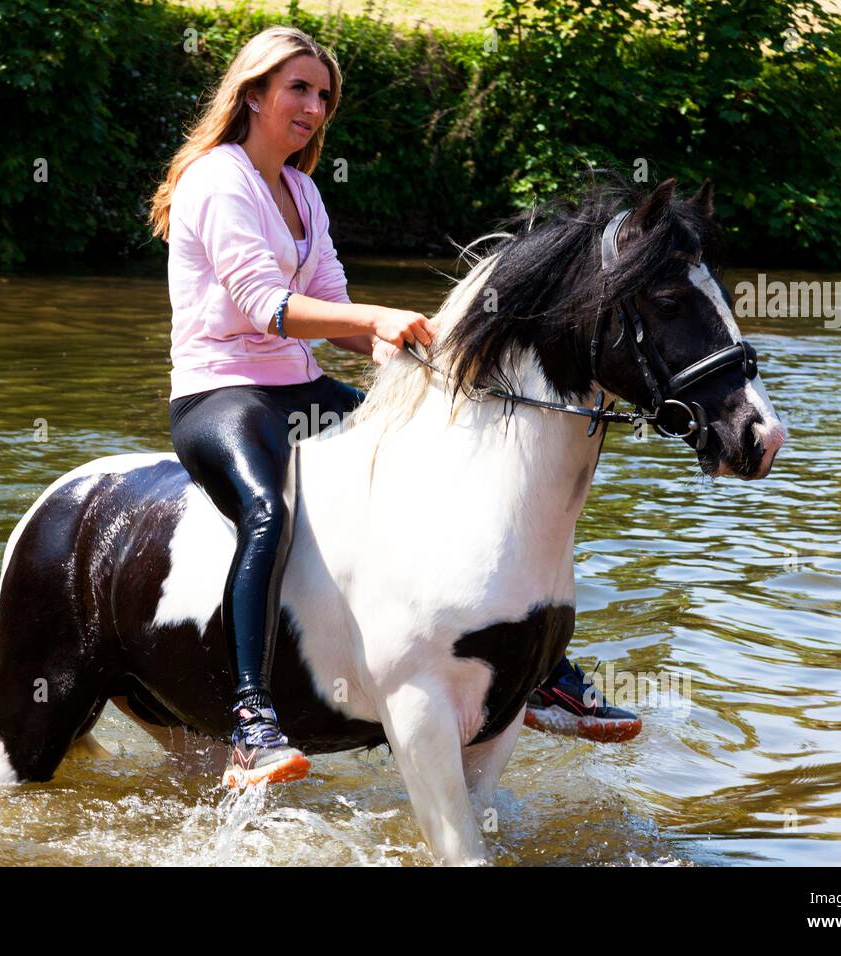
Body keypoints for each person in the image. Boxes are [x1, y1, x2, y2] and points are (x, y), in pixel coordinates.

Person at [147, 28, 639, 788]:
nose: (313, 108)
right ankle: (250, 719)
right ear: (251, 93)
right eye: (298, 90)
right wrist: (374, 318)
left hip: (300, 388)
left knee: (449, 453)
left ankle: (541, 670)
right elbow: (267, 306)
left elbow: (334, 313)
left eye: (323, 96)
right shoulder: (217, 180)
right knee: (267, 513)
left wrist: (388, 347)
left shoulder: (303, 191)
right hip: (222, 395)